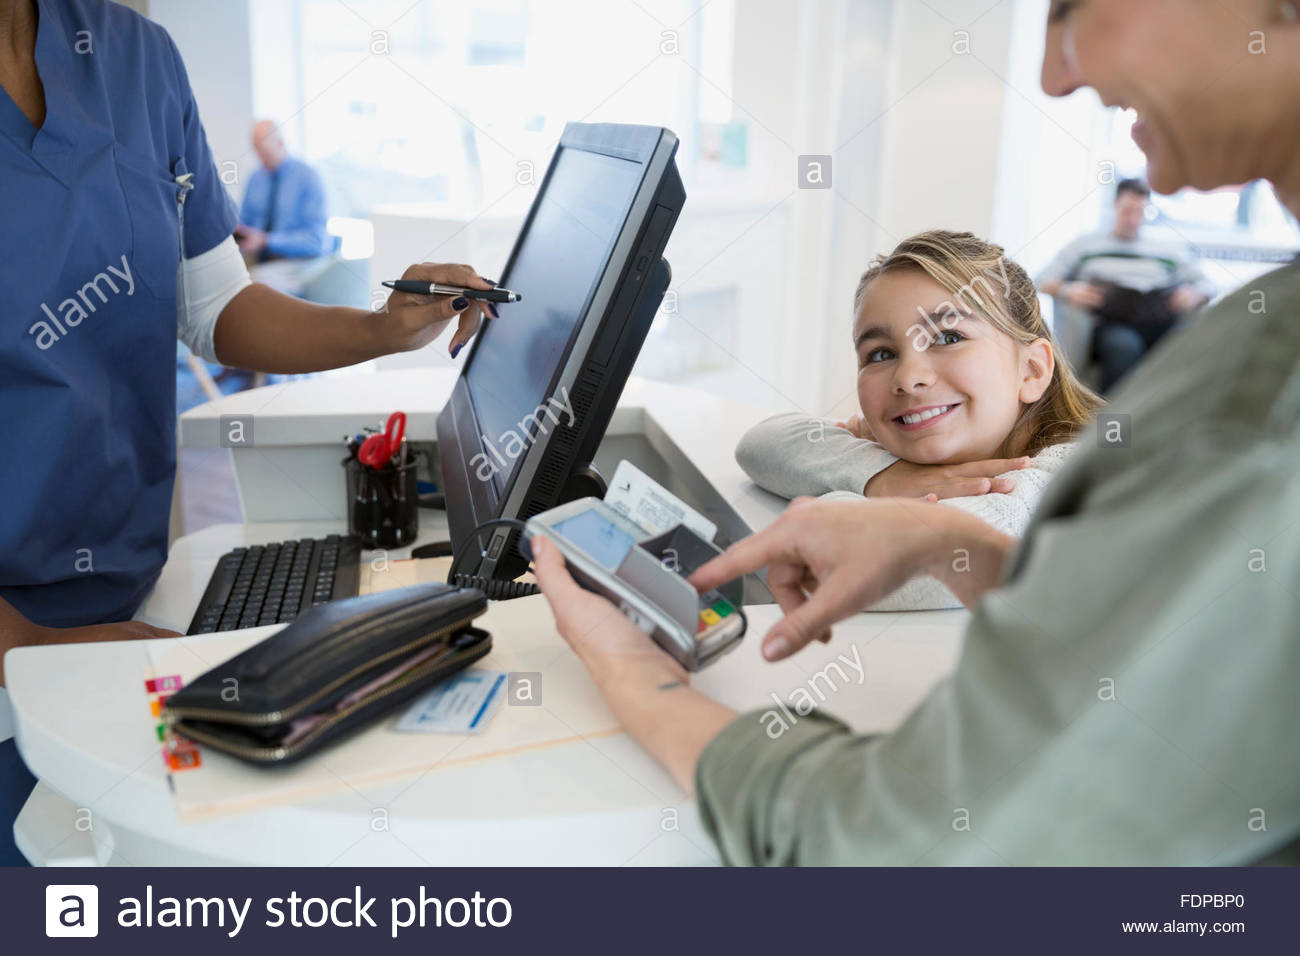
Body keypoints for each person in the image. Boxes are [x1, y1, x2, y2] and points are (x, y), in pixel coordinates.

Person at [533, 0, 1300, 864]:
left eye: (1071, 5)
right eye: (881, 351)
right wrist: (922, 517)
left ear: (1034, 370)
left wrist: (637, 677)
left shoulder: (1256, 404)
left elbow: (909, 847)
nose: (1054, 75)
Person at [0, 0, 496, 864]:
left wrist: (382, 329)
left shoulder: (136, 58)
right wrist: (29, 646)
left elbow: (214, 304)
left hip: (122, 598)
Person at [734, 231, 1101, 609]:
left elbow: (858, 565)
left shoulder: (1072, 474)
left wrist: (845, 497)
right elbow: (761, 442)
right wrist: (884, 476)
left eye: (948, 337)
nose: (909, 378)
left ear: (1031, 371)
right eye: (880, 355)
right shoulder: (928, 443)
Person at [1039, 178, 1215, 392]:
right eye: (1127, 211)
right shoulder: (1085, 246)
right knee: (1123, 347)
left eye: (1140, 212)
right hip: (1113, 322)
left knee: (1191, 341)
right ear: (1114, 206)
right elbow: (1041, 280)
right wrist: (1068, 289)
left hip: (1160, 318)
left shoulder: (1166, 250)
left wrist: (1194, 293)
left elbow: (1208, 284)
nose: (1133, 219)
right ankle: (1114, 423)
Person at [235, 119, 331, 262]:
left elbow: (316, 241)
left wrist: (267, 241)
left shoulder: (308, 177)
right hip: (257, 259)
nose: (261, 160)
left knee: (261, 281)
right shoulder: (255, 178)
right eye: (257, 153)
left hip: (295, 262)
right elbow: (244, 221)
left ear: (280, 143)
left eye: (265, 153)